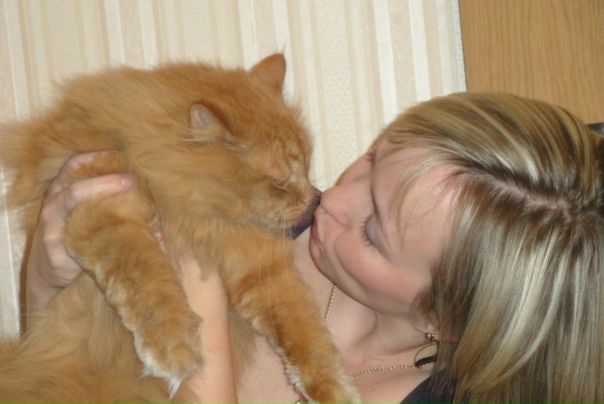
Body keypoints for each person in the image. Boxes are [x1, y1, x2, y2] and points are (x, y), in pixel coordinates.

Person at [23, 92, 604, 403]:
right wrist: (47, 282)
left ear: (442, 320)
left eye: (373, 231)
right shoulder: (262, 204)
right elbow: (58, 377)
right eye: (373, 158)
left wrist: (202, 291)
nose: (330, 201)